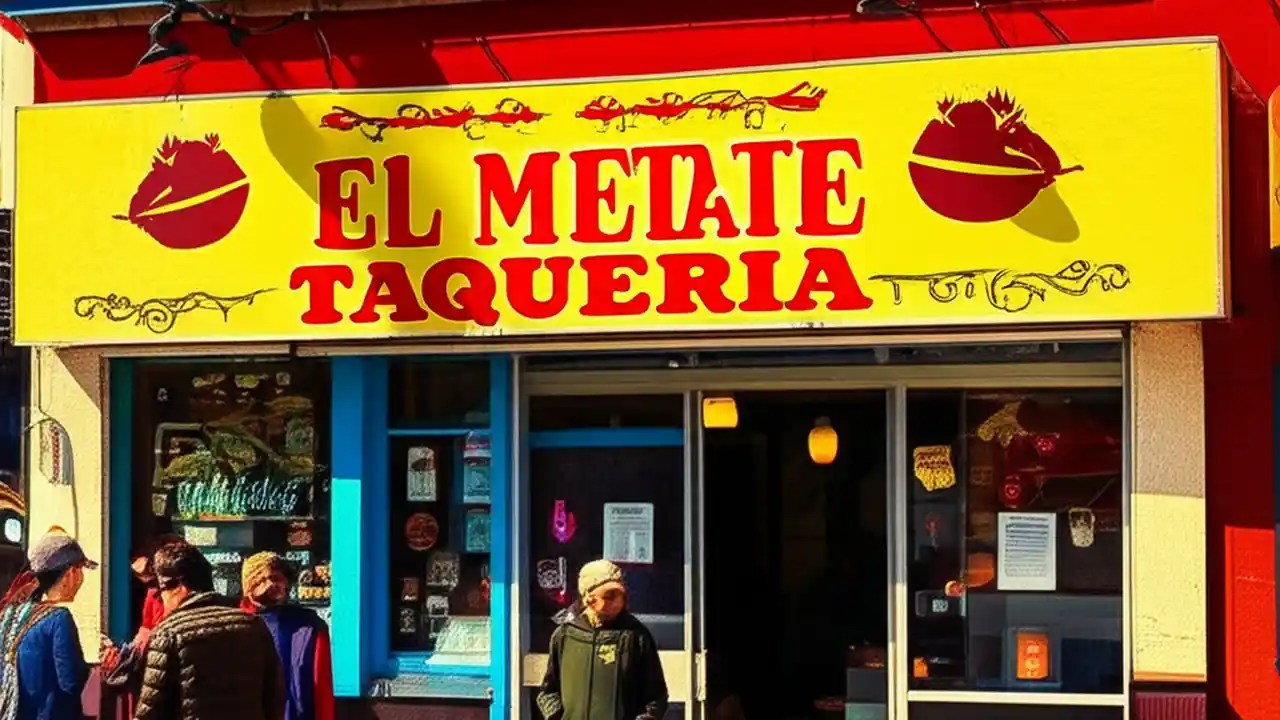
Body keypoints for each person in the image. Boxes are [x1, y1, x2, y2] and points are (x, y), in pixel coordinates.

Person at [135, 543, 284, 720]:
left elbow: (151, 710)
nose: (162, 600)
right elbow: (274, 699)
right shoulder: (254, 625)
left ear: (180, 587)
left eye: (161, 592)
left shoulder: (169, 632)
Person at [537, 560, 668, 720]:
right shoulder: (565, 636)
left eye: (620, 595)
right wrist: (556, 716)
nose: (617, 602)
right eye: (609, 596)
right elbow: (548, 692)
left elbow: (656, 698)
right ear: (589, 599)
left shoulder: (635, 636)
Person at [0, 526, 94, 720]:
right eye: (80, 570)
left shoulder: (9, 615)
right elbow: (70, 682)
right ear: (70, 573)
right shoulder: (58, 619)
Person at [238, 552, 334, 720]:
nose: (272, 585)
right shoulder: (236, 626)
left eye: (277, 578)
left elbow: (322, 689)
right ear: (250, 586)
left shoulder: (310, 626)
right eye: (263, 580)